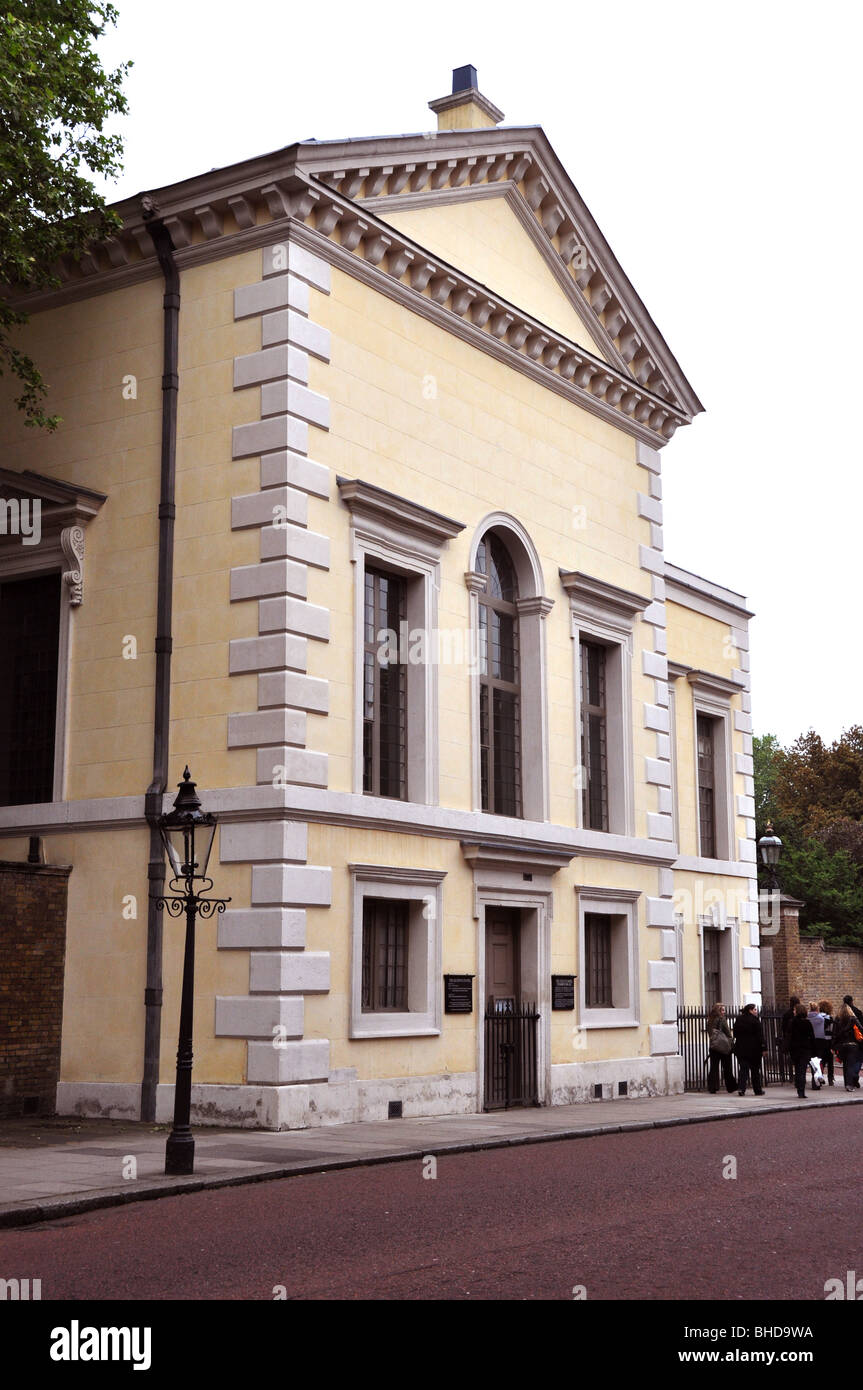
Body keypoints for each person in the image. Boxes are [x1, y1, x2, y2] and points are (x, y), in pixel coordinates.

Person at [733, 1003, 766, 1095]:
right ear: (750, 1010)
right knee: (755, 1071)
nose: (756, 1011)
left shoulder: (739, 1019)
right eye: (755, 1009)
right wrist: (764, 1048)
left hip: (741, 1048)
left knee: (743, 1069)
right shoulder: (755, 1021)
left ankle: (741, 1088)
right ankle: (757, 1090)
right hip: (754, 1049)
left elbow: (735, 1033)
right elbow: (760, 1036)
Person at [706, 1002, 736, 1094]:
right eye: (722, 1010)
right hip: (723, 1047)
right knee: (727, 1067)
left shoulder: (710, 1020)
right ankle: (731, 1086)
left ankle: (712, 1087)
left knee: (714, 1067)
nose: (724, 1012)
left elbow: (710, 1033)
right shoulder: (721, 1019)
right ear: (718, 1010)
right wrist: (731, 1042)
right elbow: (728, 1033)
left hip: (714, 1046)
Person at [833, 1003, 863, 1091]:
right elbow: (861, 1029)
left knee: (845, 1065)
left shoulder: (837, 1020)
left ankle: (847, 1083)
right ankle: (850, 1085)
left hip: (842, 1045)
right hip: (853, 1045)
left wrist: (833, 1046)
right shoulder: (853, 1019)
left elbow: (834, 1034)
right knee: (850, 1065)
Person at [788, 1003, 816, 1099]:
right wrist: (813, 1050)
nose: (793, 1011)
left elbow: (789, 1036)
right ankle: (801, 1091)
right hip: (805, 1049)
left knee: (797, 1069)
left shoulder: (792, 1022)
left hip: (795, 1049)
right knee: (802, 1070)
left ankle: (798, 1087)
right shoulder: (807, 1023)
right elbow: (812, 1037)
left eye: (795, 1010)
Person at [806, 1001, 827, 1089]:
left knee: (812, 1062)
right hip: (820, 1040)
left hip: (810, 1041)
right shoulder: (821, 1018)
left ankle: (815, 1080)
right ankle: (816, 1082)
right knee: (818, 1061)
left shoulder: (807, 1018)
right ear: (817, 1009)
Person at [817, 999, 835, 1086]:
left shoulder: (817, 1018)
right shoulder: (830, 1019)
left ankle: (820, 1077)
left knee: (821, 1061)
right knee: (830, 1062)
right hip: (828, 1042)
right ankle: (830, 1079)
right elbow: (832, 1031)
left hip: (820, 1042)